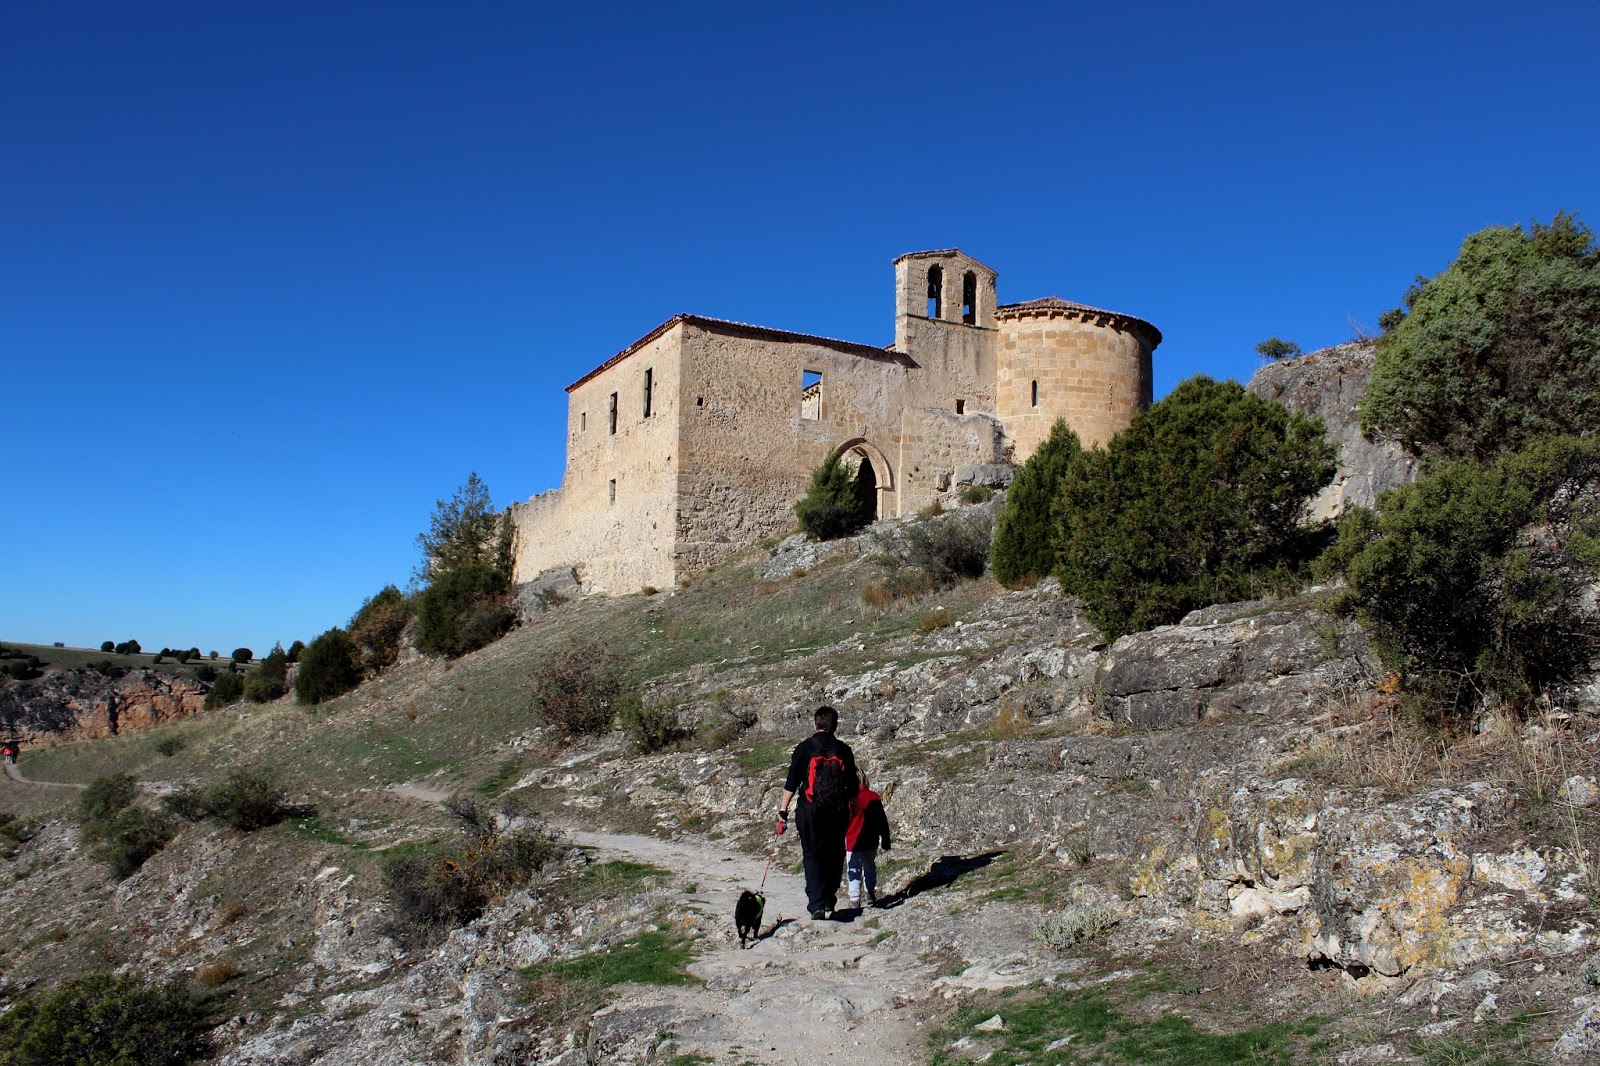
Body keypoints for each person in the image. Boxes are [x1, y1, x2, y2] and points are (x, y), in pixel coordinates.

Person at [778, 705, 859, 920]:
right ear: (835, 726)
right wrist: (854, 811)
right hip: (837, 811)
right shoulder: (843, 750)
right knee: (834, 855)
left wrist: (783, 810)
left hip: (810, 811)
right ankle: (830, 902)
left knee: (812, 856)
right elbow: (852, 786)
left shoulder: (804, 748)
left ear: (815, 724)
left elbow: (792, 782)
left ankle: (816, 905)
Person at [845, 770, 891, 912]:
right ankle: (870, 894)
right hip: (871, 840)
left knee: (854, 870)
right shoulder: (874, 797)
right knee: (869, 867)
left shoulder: (848, 799)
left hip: (853, 841)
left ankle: (854, 899)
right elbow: (882, 821)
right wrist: (885, 839)